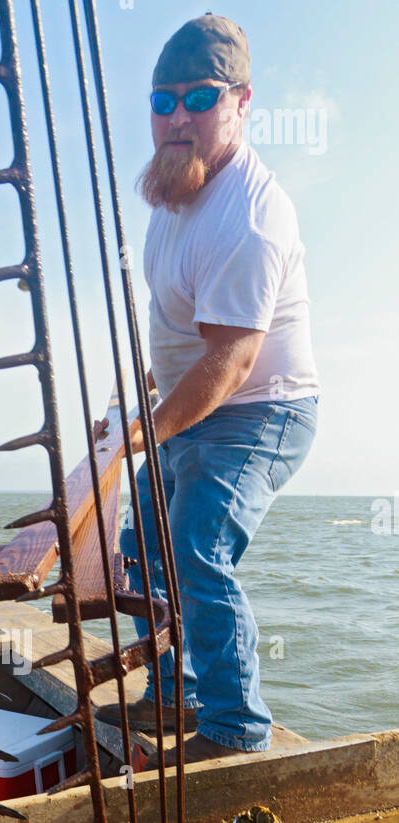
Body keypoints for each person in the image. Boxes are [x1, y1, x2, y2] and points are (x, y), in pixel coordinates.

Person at [100, 14, 319, 765]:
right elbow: (175, 326)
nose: (178, 117)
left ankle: (232, 729)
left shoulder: (251, 213)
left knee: (195, 541)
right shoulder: (174, 194)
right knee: (140, 545)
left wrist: (147, 430)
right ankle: (174, 688)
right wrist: (140, 400)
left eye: (200, 98)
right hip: (194, 402)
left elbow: (229, 360)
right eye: (163, 102)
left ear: (242, 102)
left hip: (265, 407)